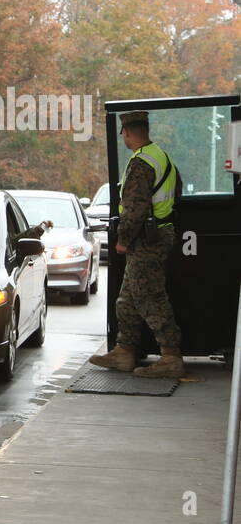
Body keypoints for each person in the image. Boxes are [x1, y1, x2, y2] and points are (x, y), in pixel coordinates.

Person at [90, 110, 182, 378]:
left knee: (150, 297)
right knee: (128, 298)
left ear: (127, 132)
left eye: (123, 134)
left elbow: (135, 208)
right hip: (158, 234)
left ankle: (171, 356)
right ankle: (124, 351)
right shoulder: (161, 157)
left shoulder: (141, 163)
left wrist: (123, 240)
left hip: (147, 240)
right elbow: (177, 192)